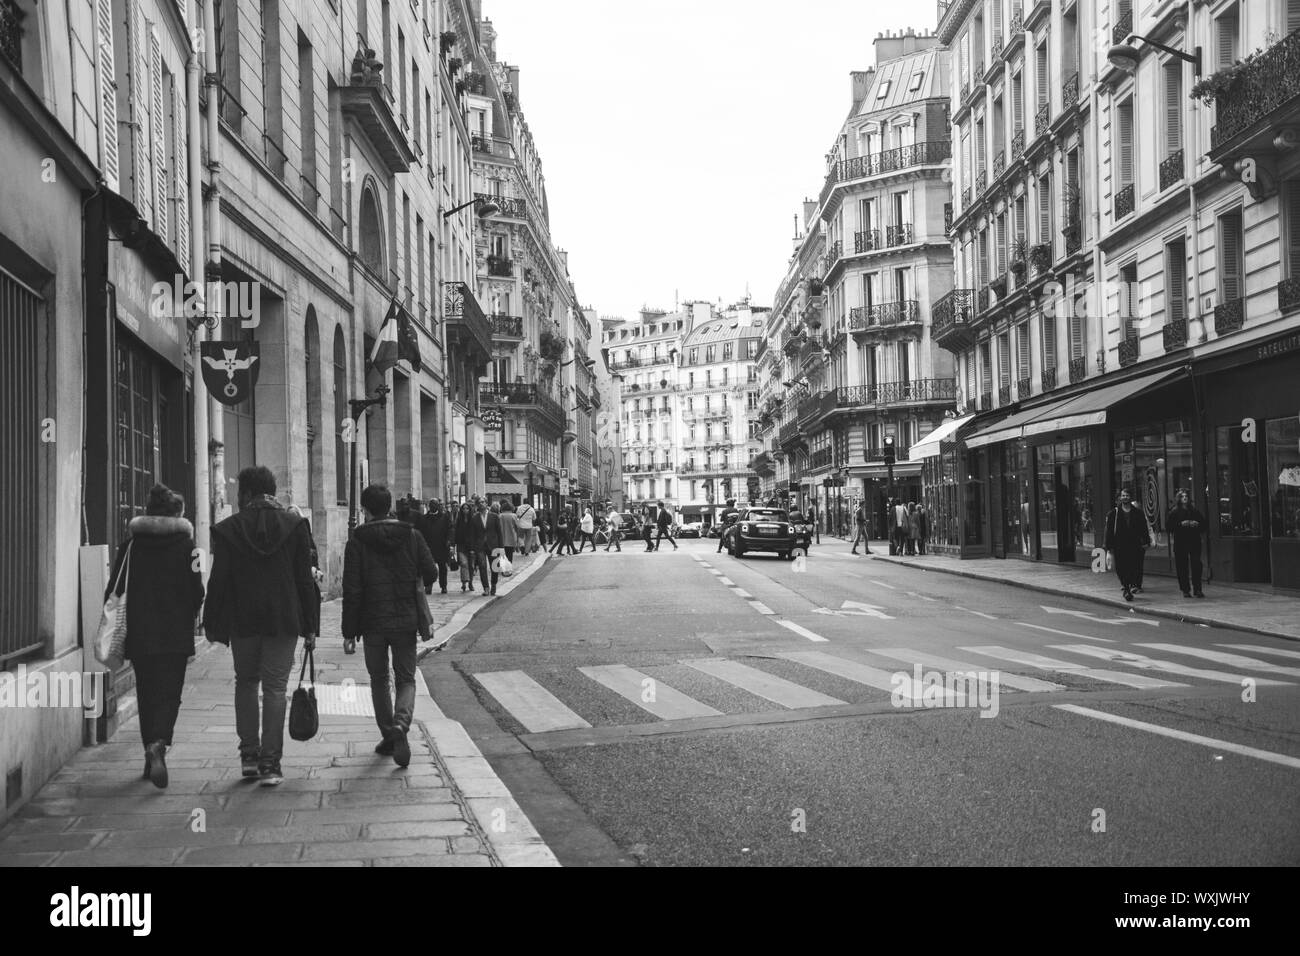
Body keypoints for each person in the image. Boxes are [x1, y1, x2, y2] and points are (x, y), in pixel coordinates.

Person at [204, 465, 319, 786]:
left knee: (246, 682)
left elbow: (219, 581)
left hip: (243, 619)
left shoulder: (230, 529)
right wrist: (311, 625)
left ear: (247, 493)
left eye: (238, 492)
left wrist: (212, 621)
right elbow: (304, 580)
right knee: (275, 688)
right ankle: (271, 763)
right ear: (272, 490)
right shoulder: (295, 526)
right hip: (283, 619)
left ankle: (249, 757)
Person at [104, 484, 205, 789]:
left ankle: (150, 751)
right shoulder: (190, 548)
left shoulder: (130, 546)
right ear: (177, 514)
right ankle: (159, 744)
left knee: (146, 693)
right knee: (170, 693)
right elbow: (197, 590)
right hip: (175, 634)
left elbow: (114, 589)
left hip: (141, 632)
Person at [341, 484, 437, 767]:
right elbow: (432, 572)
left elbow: (352, 590)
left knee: (379, 679)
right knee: (406, 678)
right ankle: (402, 723)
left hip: (372, 622)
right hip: (406, 618)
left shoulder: (356, 541)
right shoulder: (411, 535)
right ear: (390, 506)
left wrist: (348, 632)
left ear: (366, 511)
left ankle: (389, 734)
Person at [1104, 488, 1151, 602]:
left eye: (1127, 495)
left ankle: (1128, 586)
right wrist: (1108, 547)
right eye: (1123, 495)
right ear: (1120, 498)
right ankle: (1126, 587)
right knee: (1121, 568)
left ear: (1131, 497)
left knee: (1132, 567)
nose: (1125, 497)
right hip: (1119, 545)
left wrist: (1146, 542)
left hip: (1134, 545)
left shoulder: (1138, 513)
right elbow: (1109, 531)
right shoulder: (1113, 514)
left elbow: (1144, 529)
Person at [1167, 489, 1207, 598]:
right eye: (1182, 496)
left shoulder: (1194, 511)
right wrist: (1180, 524)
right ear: (1179, 499)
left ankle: (1197, 589)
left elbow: (1203, 525)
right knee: (1182, 566)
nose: (1185, 498)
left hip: (1194, 541)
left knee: (1196, 564)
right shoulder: (1174, 512)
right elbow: (1169, 527)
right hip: (1180, 542)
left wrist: (1196, 524)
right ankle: (1185, 589)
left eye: (1186, 496)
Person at [419, 498, 452, 595]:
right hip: (428, 546)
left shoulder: (444, 517)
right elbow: (421, 532)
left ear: (438, 506)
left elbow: (450, 529)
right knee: (428, 568)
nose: (433, 506)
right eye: (431, 504)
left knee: (443, 567)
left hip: (441, 546)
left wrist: (449, 540)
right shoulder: (424, 518)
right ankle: (428, 586)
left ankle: (443, 586)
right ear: (429, 506)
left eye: (435, 504)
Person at [453, 502, 485, 592]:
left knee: (471, 565)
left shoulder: (473, 520)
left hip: (471, 546)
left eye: (467, 508)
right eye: (464, 508)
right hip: (461, 545)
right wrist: (453, 543)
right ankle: (464, 582)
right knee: (463, 564)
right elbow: (455, 532)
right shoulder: (459, 520)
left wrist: (475, 546)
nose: (465, 510)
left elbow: (476, 533)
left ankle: (470, 582)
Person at [481, 500, 502, 594]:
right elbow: (473, 534)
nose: (481, 504)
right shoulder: (475, 517)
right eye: (479, 502)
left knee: (494, 567)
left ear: (486, 504)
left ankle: (493, 584)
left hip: (493, 545)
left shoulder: (494, 517)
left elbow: (499, 533)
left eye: (483, 502)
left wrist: (501, 548)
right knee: (482, 567)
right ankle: (486, 587)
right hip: (480, 546)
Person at [499, 500, 520, 567]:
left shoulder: (500, 516)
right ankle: (508, 567)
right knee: (510, 554)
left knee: (502, 554)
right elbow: (517, 527)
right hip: (511, 537)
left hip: (502, 538)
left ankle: (503, 567)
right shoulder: (513, 516)